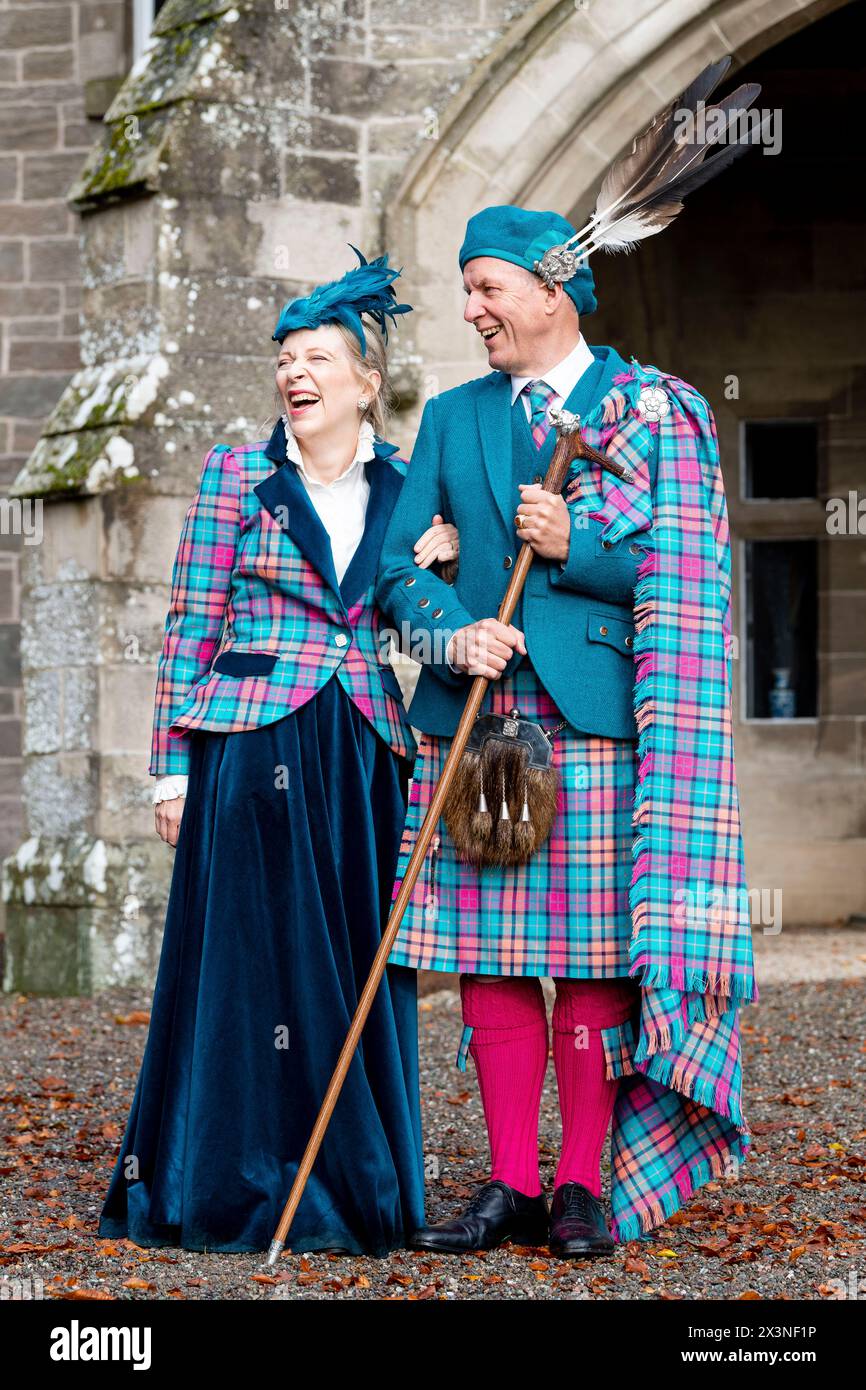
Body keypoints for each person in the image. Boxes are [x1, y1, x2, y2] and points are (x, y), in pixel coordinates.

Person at [376, 205, 756, 1257]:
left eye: (488, 288)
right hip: (481, 719)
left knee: (591, 961)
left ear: (553, 291)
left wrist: (575, 541)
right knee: (492, 958)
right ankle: (504, 1180)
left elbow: (686, 574)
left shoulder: (644, 408)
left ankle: (581, 1184)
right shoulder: (453, 417)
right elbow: (394, 571)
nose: (471, 309)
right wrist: (452, 638)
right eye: (467, 289)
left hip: (596, 723)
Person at [98, 249, 457, 1256]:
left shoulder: (406, 488)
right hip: (248, 753)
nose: (295, 374)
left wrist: (445, 559)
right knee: (245, 969)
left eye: (316, 358)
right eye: (285, 360)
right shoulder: (235, 477)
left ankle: (355, 1181)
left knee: (352, 963)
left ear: (365, 383)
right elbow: (190, 620)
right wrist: (169, 764)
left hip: (360, 758)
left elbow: (424, 618)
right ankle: (229, 1182)